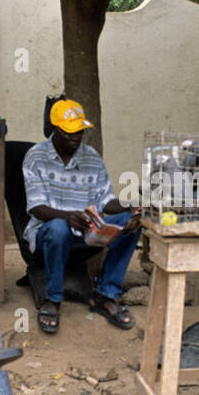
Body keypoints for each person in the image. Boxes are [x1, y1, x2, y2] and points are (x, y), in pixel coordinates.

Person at [23, 99, 141, 334]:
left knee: (133, 223)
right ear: (55, 130)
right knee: (58, 228)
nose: (76, 137)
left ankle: (106, 294)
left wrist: (131, 205)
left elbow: (106, 201)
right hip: (49, 231)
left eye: (80, 131)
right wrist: (68, 217)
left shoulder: (92, 157)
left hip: (88, 231)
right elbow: (36, 207)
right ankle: (53, 299)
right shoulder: (36, 157)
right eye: (69, 132)